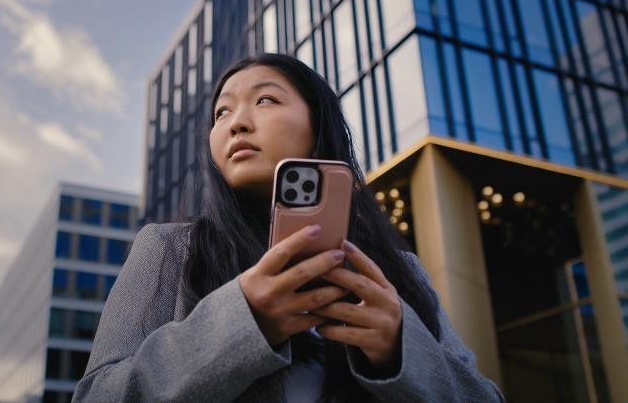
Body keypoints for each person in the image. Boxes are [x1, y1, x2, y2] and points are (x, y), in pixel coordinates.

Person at [72, 53, 504, 402]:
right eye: (221, 112)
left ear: (318, 125)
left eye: (265, 100)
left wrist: (398, 349)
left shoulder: (401, 270)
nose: (236, 122)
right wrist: (242, 322)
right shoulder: (167, 248)